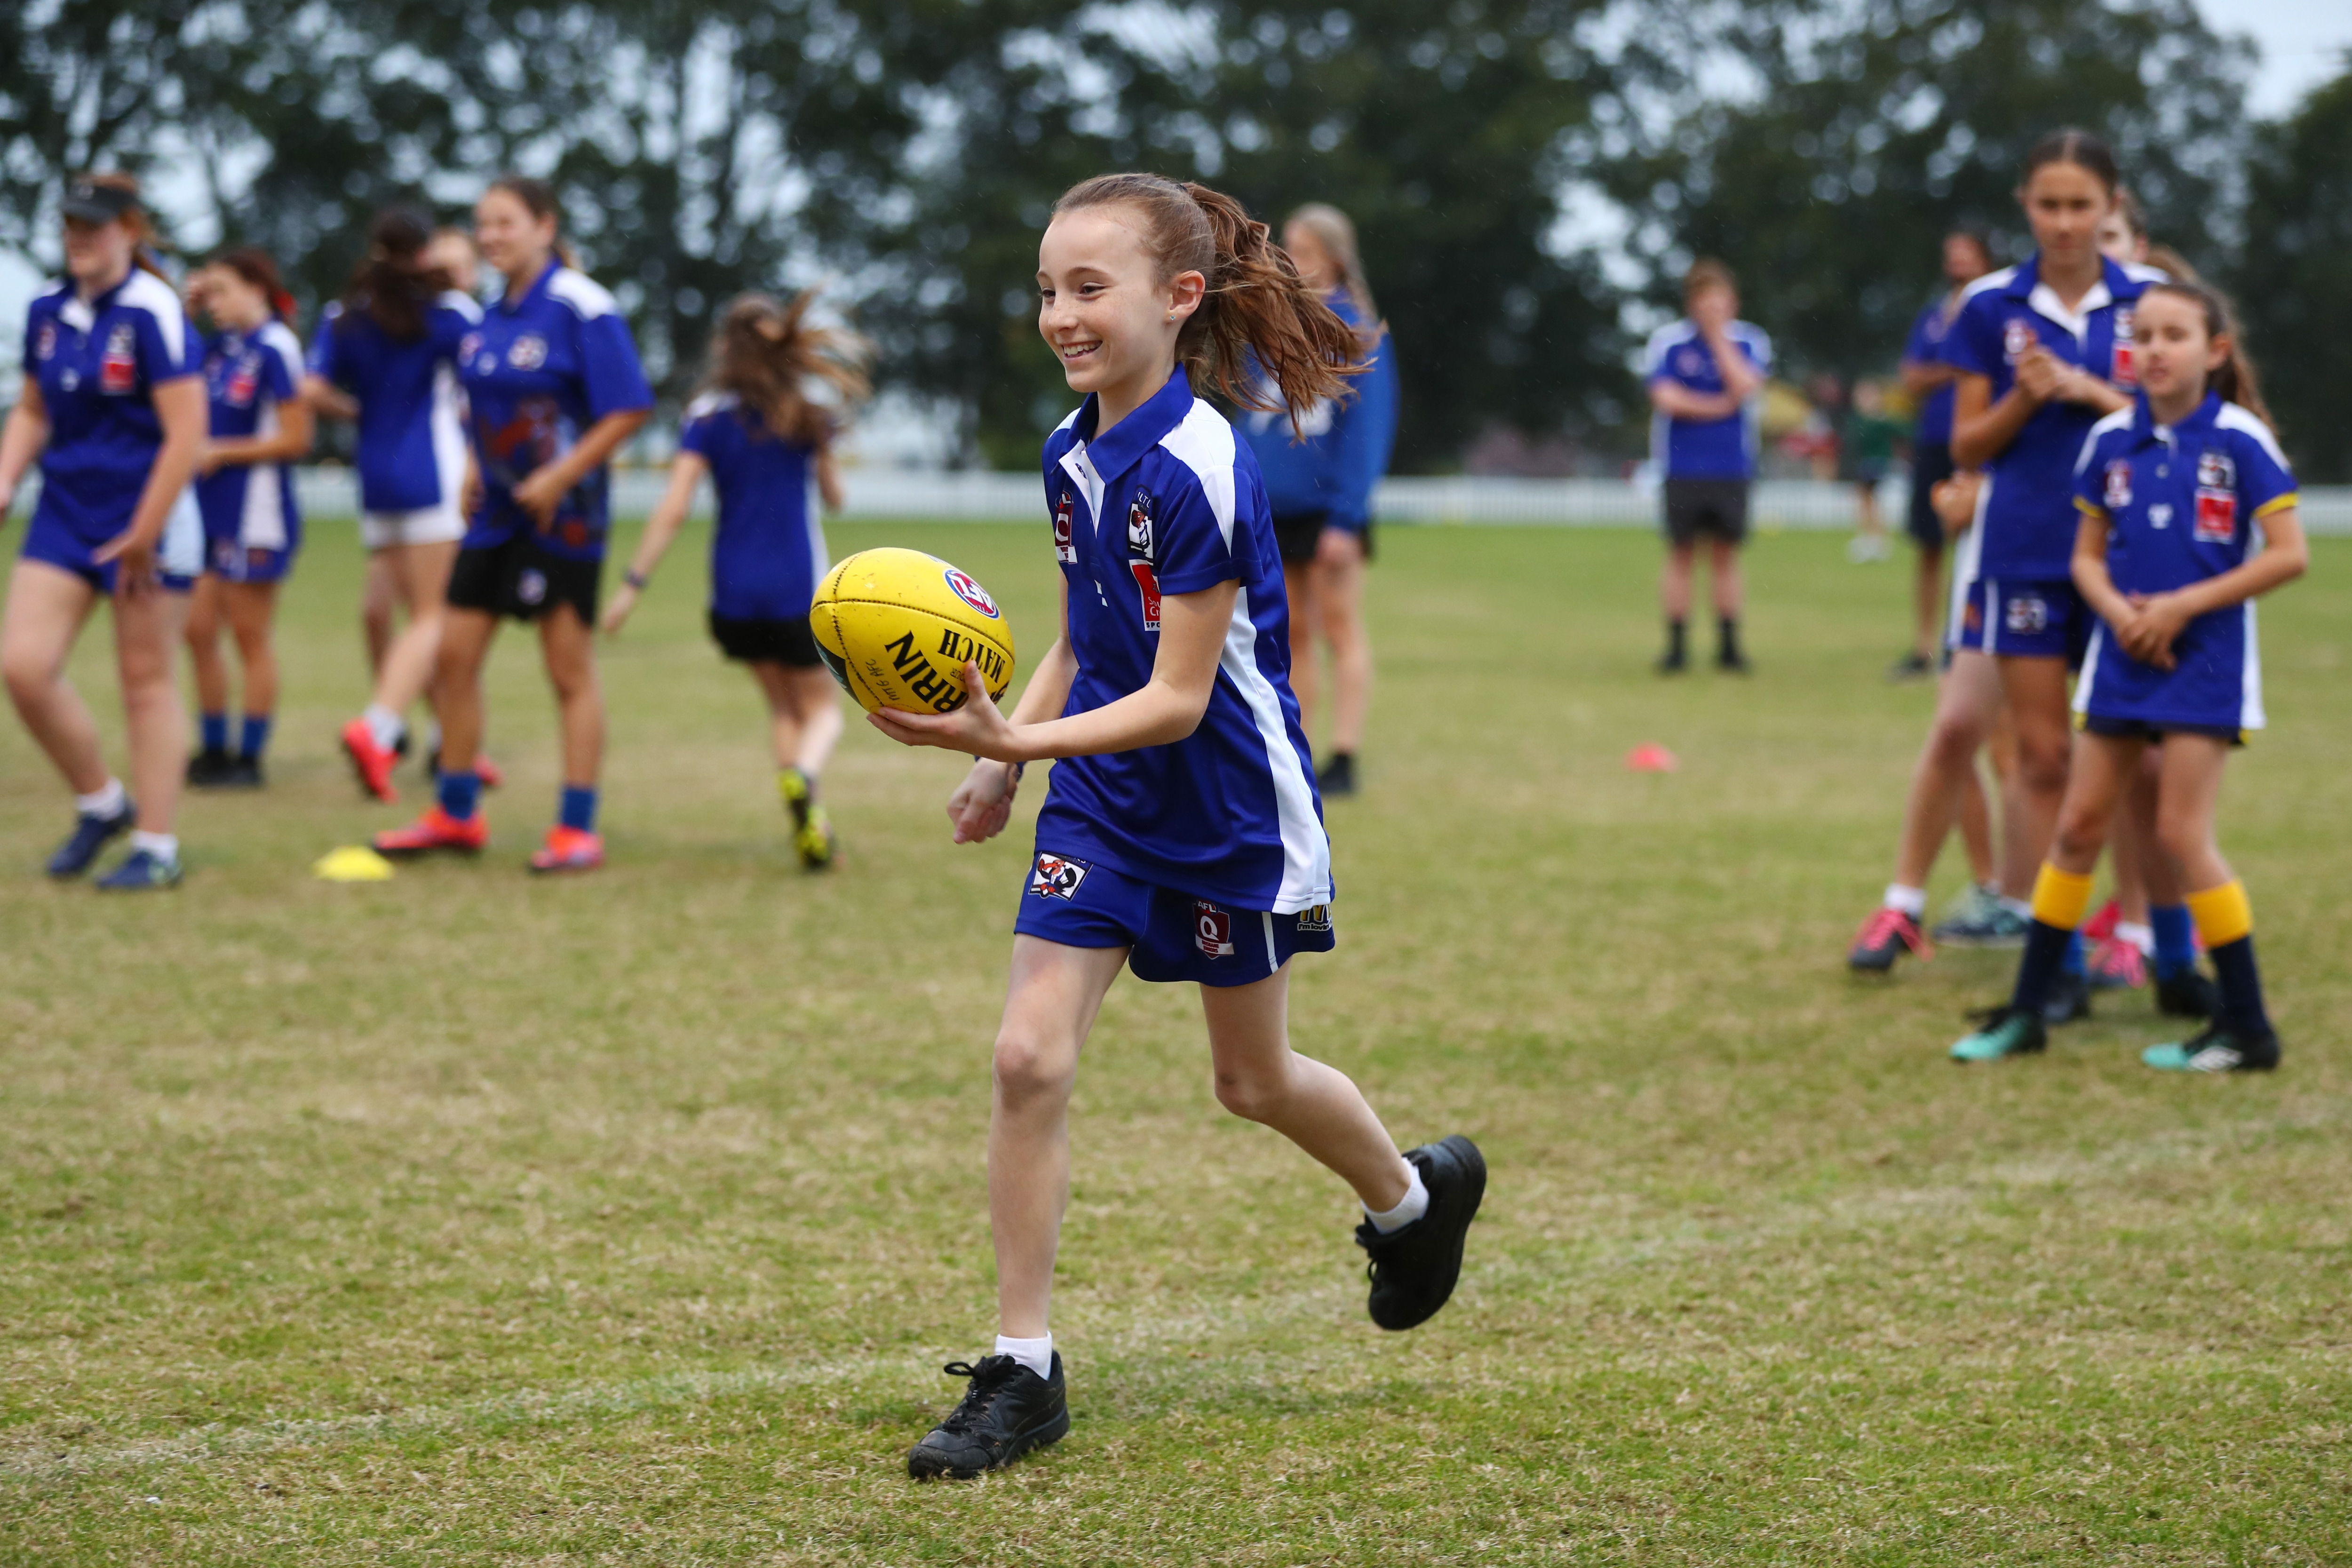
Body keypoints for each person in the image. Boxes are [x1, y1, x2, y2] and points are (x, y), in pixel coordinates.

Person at [867, 173, 1483, 1480]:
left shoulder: (1203, 463)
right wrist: (1010, 765)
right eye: (1048, 289)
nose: (1061, 314)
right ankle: (1023, 1368)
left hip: (1226, 808)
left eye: (1089, 288)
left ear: (1178, 296)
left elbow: (1177, 696)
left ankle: (1413, 1198)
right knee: (1026, 1058)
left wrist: (1012, 745)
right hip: (1103, 796)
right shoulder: (1070, 450)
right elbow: (1086, 628)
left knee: (1251, 1082)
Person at [1949, 280, 2303, 1068]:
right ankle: (2028, 1010)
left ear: (2215, 351)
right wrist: (2119, 612)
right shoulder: (2109, 439)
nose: (2154, 350)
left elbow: (2289, 555)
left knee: (2180, 833)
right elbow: (2084, 558)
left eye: (2175, 336)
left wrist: (2179, 608)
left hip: (2203, 662)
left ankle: (2250, 1028)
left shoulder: (2241, 438)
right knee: (2078, 828)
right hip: (2121, 660)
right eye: (2141, 337)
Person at [1933, 128, 2167, 1025]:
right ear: (2024, 206)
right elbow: (1966, 445)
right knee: (2041, 758)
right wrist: (2025, 398)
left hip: (2130, 557)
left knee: (2139, 757)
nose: (2065, 222)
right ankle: (2049, 958)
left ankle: (2148, 939)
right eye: (2049, 205)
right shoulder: (1990, 305)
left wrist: (2088, 390)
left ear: (2113, 206)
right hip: (2025, 552)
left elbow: (2178, 426)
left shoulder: (2150, 299)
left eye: (2081, 205)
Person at [373, 175, 652, 872]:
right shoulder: (489, 316)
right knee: (452, 657)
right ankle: (457, 812)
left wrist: (560, 475)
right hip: (495, 516)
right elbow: (484, 406)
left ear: (544, 227)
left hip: (565, 518)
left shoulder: (582, 306)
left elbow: (628, 408)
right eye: (483, 224)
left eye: (506, 223)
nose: (491, 236)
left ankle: (577, 829)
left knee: (567, 670)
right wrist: (474, 465)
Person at [602, 291, 869, 868]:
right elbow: (835, 499)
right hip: (796, 587)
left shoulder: (705, 417)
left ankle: (811, 819)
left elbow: (674, 507)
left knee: (782, 709)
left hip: (733, 592)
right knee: (821, 710)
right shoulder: (805, 410)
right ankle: (805, 775)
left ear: (724, 346)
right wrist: (819, 449)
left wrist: (631, 586)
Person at [0, 174, 205, 890]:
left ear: (130, 231)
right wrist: (6, 475)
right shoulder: (47, 309)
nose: (79, 239)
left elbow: (187, 432)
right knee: (22, 666)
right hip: (66, 510)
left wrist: (145, 532)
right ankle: (103, 803)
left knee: (146, 681)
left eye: (94, 225)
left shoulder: (153, 309)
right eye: (71, 226)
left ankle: (156, 846)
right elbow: (33, 409)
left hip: (149, 516)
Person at [309, 208, 492, 802]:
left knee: (397, 613)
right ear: (425, 254)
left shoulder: (345, 315)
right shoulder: (450, 313)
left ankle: (450, 741)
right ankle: (380, 726)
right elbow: (488, 386)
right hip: (434, 473)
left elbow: (310, 388)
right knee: (434, 618)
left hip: (375, 475)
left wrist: (359, 413)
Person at [1237, 202, 1398, 796]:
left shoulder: (1357, 331)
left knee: (1339, 628)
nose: (1289, 260)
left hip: (1328, 514)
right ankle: (1294, 753)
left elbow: (1367, 431)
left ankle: (1345, 756)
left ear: (1332, 258)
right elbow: (1249, 411)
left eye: (1302, 251)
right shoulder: (1271, 325)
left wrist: (1346, 518)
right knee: (1291, 633)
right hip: (1272, 512)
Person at [182, 247, 310, 788]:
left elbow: (297, 438)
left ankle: (249, 757)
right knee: (197, 630)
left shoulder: (276, 346)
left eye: (223, 291)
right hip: (207, 509)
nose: (214, 302)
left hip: (256, 512)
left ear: (257, 291)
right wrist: (186, 308)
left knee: (249, 635)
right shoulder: (220, 348)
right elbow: (169, 363)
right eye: (209, 292)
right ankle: (213, 746)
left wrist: (222, 452)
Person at [1644, 259, 1770, 673]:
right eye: (1705, 304)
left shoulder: (1749, 340)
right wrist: (1717, 406)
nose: (1713, 312)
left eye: (1720, 304)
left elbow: (1746, 386)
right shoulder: (1669, 342)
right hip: (1681, 466)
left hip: (1731, 466)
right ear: (1692, 304)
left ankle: (1729, 646)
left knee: (1725, 556)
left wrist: (1719, 339)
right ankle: (1676, 647)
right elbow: (1666, 397)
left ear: (1733, 303)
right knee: (1680, 555)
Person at [1892, 229, 1995, 678]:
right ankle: (1924, 649)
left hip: (1981, 440)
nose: (1957, 263)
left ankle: (1964, 642)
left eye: (1966, 255)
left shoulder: (1994, 310)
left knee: (1973, 547)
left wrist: (1951, 370)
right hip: (1935, 438)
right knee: (1929, 544)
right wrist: (1955, 369)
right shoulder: (1934, 315)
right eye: (1952, 255)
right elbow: (1910, 378)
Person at [1840, 376, 1902, 564]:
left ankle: (1875, 540)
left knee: (1867, 500)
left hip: (1875, 464)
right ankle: (1873, 539)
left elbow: (1903, 431)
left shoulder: (1878, 420)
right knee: (1867, 500)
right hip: (1865, 464)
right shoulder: (1860, 420)